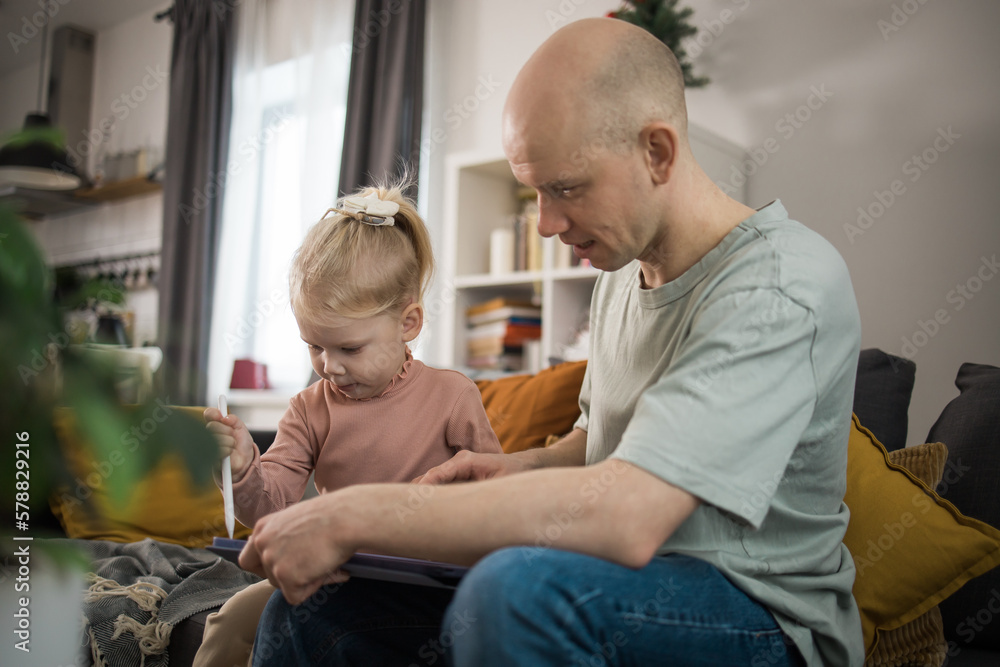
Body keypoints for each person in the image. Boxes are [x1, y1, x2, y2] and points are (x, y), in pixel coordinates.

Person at [242, 17, 864, 667]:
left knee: (516, 590)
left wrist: (351, 516)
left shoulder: (779, 284)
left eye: (565, 188)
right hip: (623, 586)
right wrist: (518, 467)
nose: (545, 223)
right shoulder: (621, 278)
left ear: (657, 152)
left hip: (761, 615)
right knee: (310, 611)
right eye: (534, 191)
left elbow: (628, 511)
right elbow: (597, 444)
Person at [193, 182, 503, 667]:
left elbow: (496, 501)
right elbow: (270, 506)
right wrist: (240, 468)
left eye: (349, 349)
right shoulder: (309, 408)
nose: (328, 366)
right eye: (314, 346)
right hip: (334, 576)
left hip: (428, 591)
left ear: (409, 324)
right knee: (230, 621)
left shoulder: (453, 396)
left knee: (294, 621)